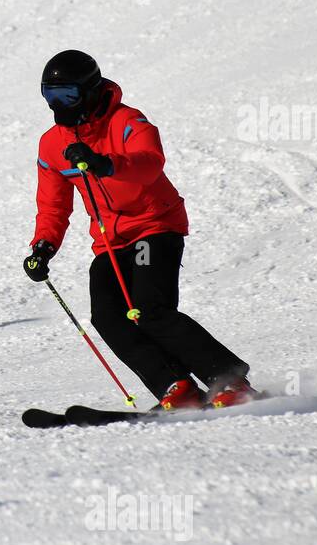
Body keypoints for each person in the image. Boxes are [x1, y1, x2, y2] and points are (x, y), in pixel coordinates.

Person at [22, 49, 256, 410]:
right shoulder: (52, 145)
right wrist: (43, 246)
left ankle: (228, 379)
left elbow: (149, 164)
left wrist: (106, 164)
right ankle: (176, 386)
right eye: (50, 96)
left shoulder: (127, 120)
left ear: (89, 90)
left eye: (67, 95)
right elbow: (53, 205)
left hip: (154, 225)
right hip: (110, 241)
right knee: (107, 316)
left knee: (150, 309)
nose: (58, 105)